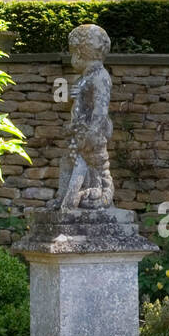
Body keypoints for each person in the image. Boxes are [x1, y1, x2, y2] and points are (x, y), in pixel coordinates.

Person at [57, 24, 115, 211]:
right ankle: (65, 197)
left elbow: (100, 109)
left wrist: (91, 133)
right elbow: (76, 106)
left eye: (73, 53)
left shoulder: (100, 76)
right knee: (69, 162)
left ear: (80, 53)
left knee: (94, 167)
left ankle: (90, 195)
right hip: (79, 132)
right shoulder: (83, 78)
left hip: (91, 136)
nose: (73, 58)